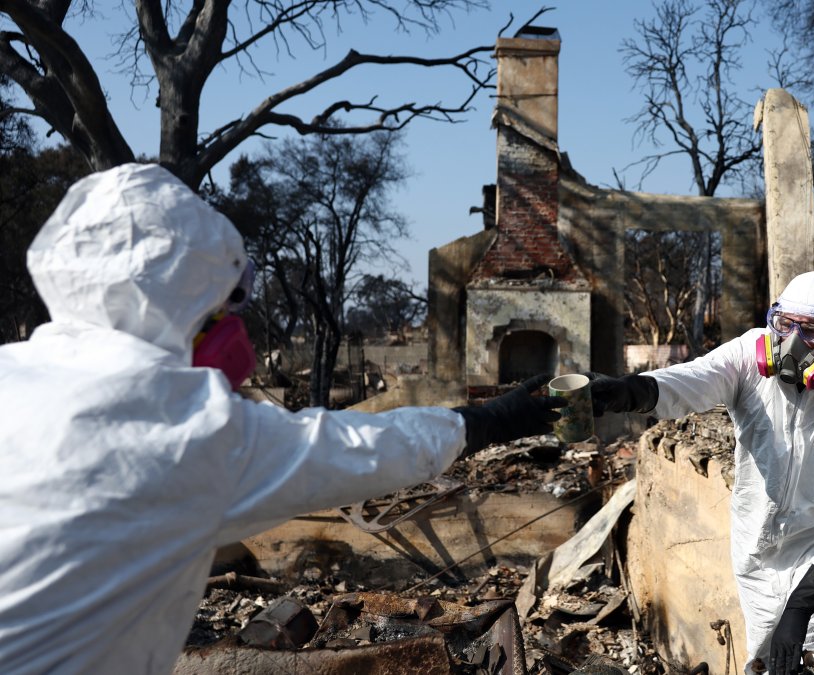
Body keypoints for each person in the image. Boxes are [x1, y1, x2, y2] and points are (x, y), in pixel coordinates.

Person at [0, 163, 564, 674]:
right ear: (190, 299)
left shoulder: (12, 372)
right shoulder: (186, 429)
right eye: (226, 302)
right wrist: (488, 421)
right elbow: (359, 449)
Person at [591, 271, 814, 675]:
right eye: (784, 325)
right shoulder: (747, 359)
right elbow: (694, 380)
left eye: (810, 330)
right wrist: (631, 391)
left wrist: (803, 604)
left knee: (812, 657)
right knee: (761, 658)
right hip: (754, 543)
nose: (792, 341)